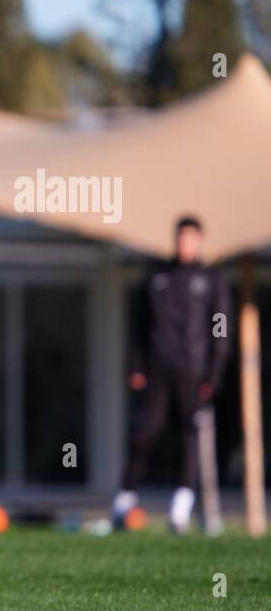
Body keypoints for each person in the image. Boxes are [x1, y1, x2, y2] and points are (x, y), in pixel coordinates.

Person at [111, 214, 232, 534]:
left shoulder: (210, 280)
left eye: (191, 238)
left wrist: (213, 375)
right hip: (157, 370)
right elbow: (138, 326)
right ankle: (123, 501)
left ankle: (180, 510)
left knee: (189, 439)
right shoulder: (157, 276)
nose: (185, 244)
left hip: (193, 373)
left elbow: (220, 331)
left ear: (199, 241)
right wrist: (137, 366)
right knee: (144, 434)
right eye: (181, 238)